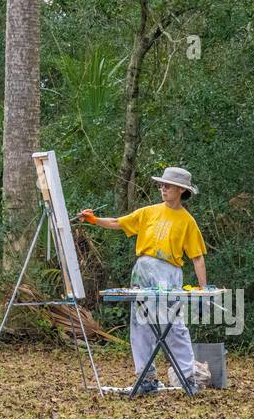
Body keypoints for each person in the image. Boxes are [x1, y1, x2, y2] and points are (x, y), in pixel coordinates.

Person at [77, 167, 209, 393]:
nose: (163, 188)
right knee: (140, 324)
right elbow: (119, 222)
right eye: (161, 185)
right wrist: (94, 220)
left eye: (167, 185)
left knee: (173, 325)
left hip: (168, 272)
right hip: (142, 269)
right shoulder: (149, 212)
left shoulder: (187, 221)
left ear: (180, 190)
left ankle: (188, 377)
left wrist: (203, 289)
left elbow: (197, 257)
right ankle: (146, 378)